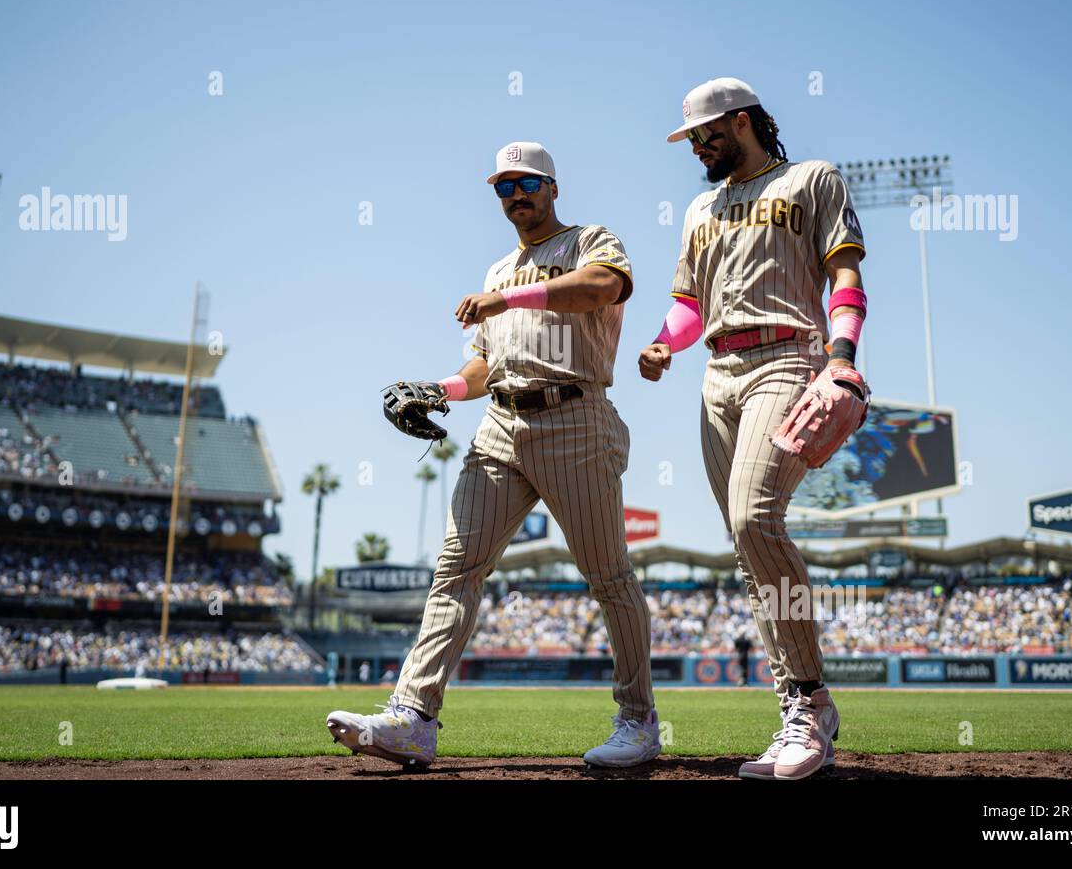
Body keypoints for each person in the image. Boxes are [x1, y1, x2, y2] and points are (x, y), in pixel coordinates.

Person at [327, 142, 658, 769]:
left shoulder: (588, 241)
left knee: (607, 576)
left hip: (575, 418)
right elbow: (486, 362)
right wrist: (443, 390)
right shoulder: (497, 270)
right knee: (457, 567)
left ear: (553, 187)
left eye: (527, 183)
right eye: (503, 188)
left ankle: (638, 720)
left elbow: (600, 289)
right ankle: (412, 717)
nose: (516, 196)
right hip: (501, 424)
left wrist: (507, 300)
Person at [639, 78, 868, 780]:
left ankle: (809, 703)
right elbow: (687, 305)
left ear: (741, 122)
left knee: (753, 517)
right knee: (746, 546)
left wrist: (842, 362)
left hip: (789, 355)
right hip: (717, 373)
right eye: (691, 139)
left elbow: (846, 275)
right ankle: (794, 714)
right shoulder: (699, 208)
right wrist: (662, 342)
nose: (698, 148)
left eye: (706, 134)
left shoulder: (809, 178)